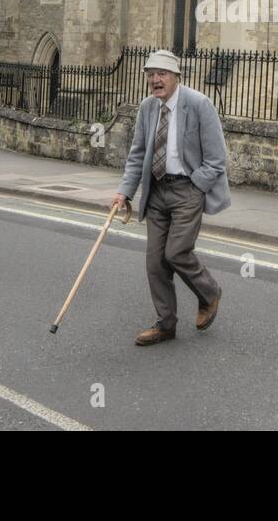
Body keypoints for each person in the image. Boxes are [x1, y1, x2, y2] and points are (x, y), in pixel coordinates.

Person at [112, 49, 230, 346]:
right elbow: (137, 154)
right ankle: (166, 324)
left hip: (187, 190)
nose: (155, 79)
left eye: (162, 74)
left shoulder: (199, 104)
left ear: (177, 76)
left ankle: (210, 292)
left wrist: (196, 187)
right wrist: (124, 192)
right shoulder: (148, 108)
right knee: (155, 263)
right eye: (151, 74)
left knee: (176, 253)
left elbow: (217, 158)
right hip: (156, 191)